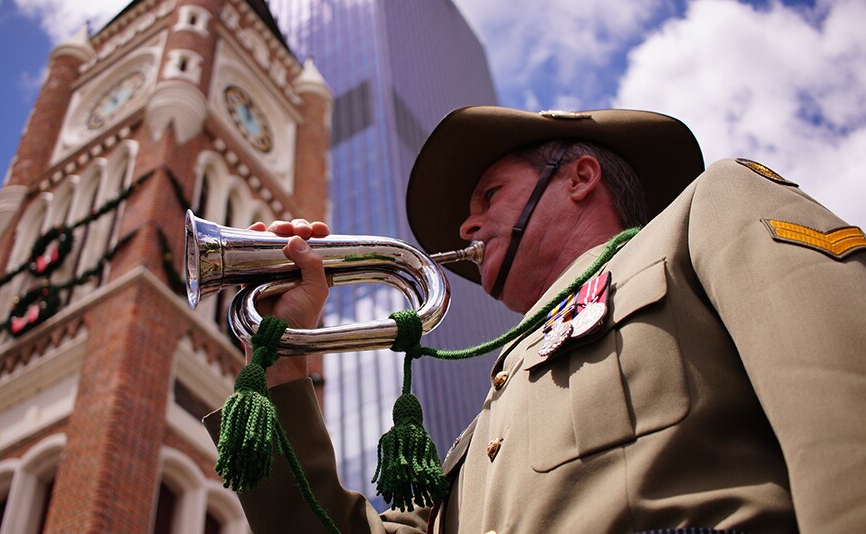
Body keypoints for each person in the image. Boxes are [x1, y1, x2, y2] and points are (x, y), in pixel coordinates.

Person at [204, 106, 866, 533]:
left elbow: (844, 419)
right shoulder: (481, 434)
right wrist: (283, 358)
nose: (466, 226)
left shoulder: (713, 208)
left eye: (489, 195)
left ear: (579, 178)